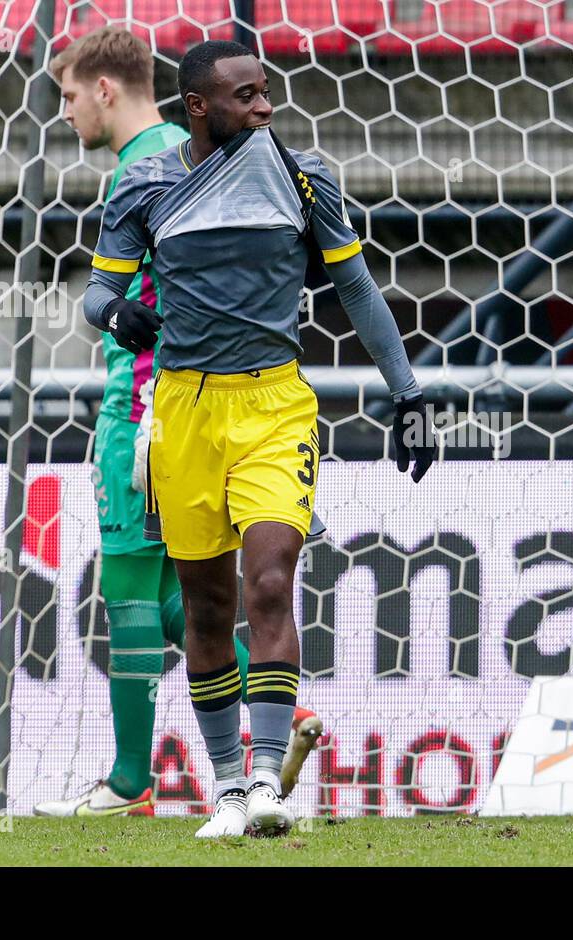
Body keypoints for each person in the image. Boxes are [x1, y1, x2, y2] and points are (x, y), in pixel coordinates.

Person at [82, 39, 434, 837]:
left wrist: (407, 394)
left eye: (265, 91)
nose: (265, 106)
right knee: (207, 609)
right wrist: (117, 313)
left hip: (275, 403)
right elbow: (98, 292)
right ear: (199, 107)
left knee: (270, 581)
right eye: (246, 96)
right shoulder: (144, 184)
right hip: (184, 410)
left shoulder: (303, 176)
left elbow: (355, 287)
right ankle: (232, 788)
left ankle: (272, 784)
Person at [35, 28, 324, 819]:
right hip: (181, 405)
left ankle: (132, 780)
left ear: (103, 89)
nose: (64, 115)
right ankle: (272, 718)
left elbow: (144, 299)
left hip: (156, 410)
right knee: (184, 597)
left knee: (132, 585)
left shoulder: (157, 167)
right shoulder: (174, 151)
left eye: (67, 96)